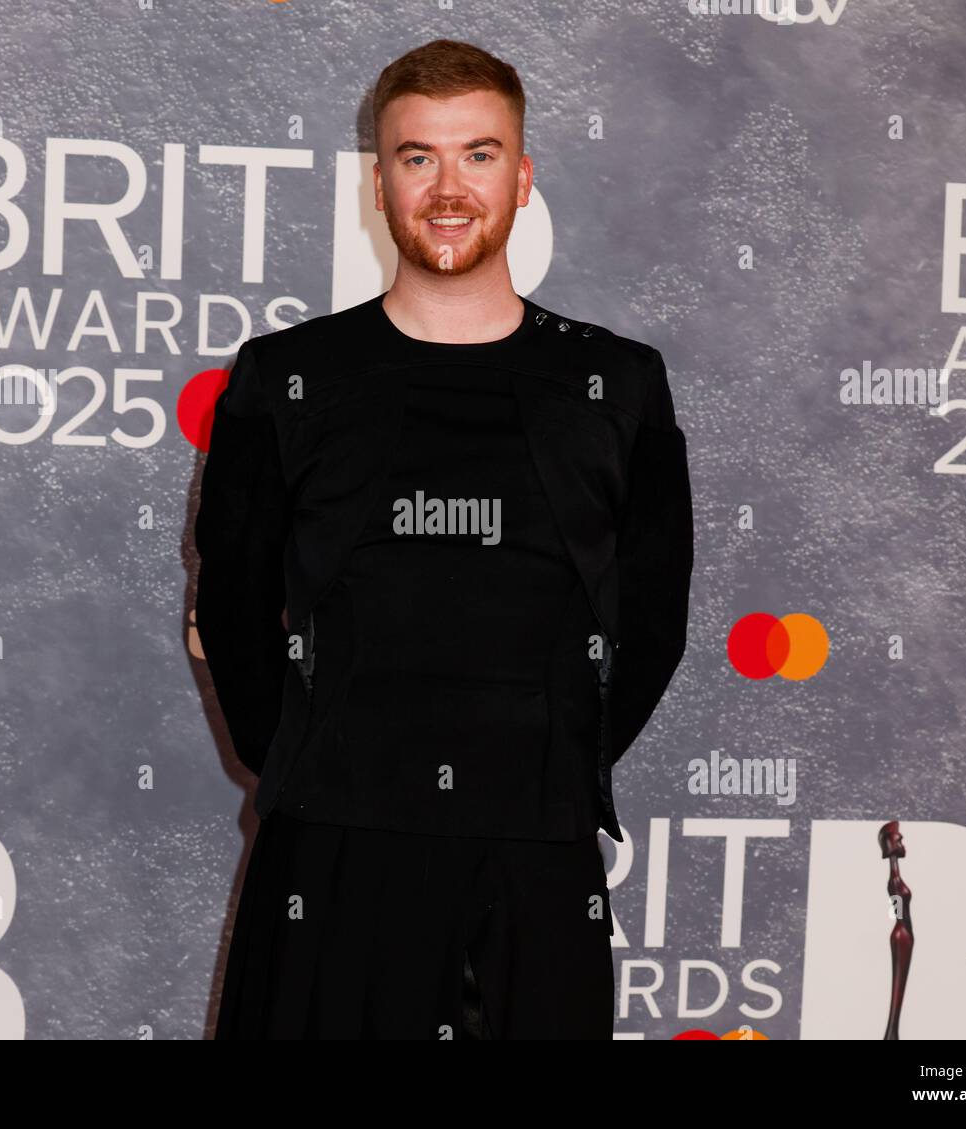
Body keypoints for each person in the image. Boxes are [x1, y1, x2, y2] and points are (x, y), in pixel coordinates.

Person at [196, 38, 693, 1039]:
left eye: (477, 153)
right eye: (417, 156)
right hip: (329, 841)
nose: (448, 187)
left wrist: (550, 759)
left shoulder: (616, 386)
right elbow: (232, 602)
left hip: (534, 851)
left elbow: (652, 614)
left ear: (522, 176)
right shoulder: (287, 376)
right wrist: (304, 756)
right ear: (378, 183)